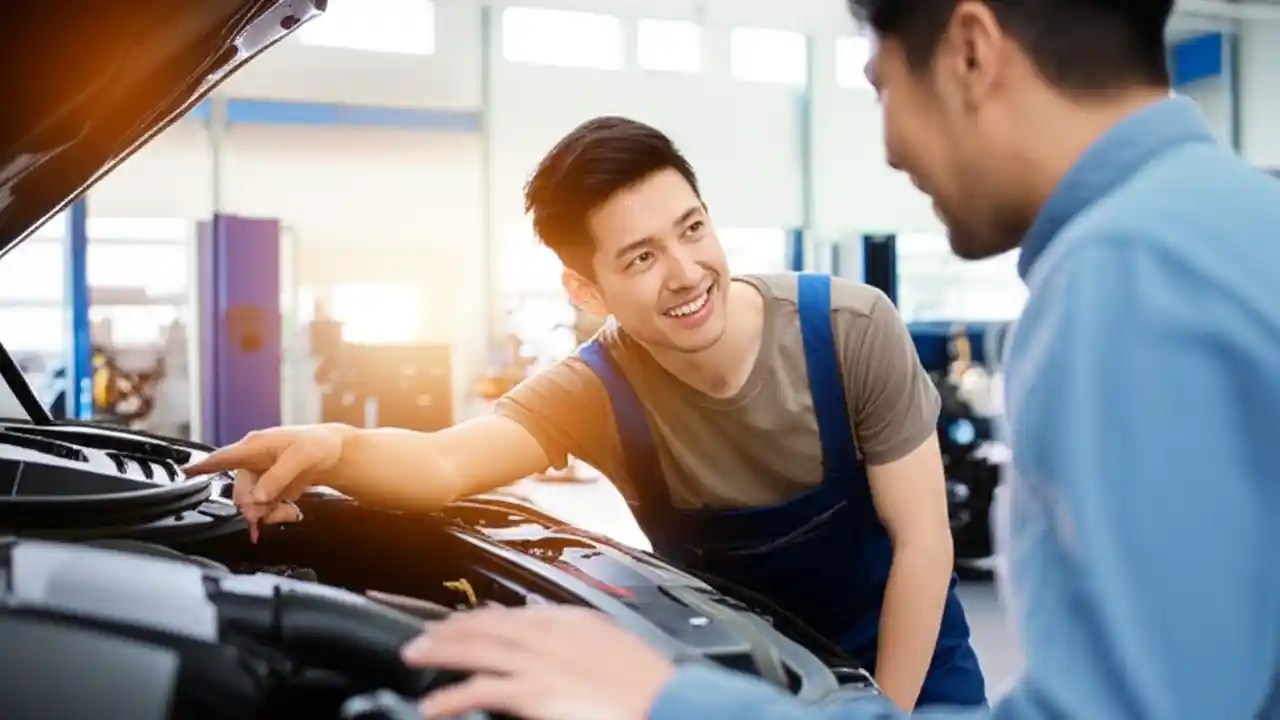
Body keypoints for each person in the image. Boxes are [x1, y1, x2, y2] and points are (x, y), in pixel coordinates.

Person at [396, 0, 1280, 718]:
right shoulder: (1235, 228)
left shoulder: (1125, 280)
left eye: (882, 87)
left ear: (971, 49)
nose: (890, 148)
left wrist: (666, 699)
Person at [183, 124, 986, 707]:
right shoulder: (599, 387)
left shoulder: (849, 330)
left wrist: (888, 713)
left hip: (915, 675)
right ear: (587, 291)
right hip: (754, 686)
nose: (685, 273)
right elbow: (442, 465)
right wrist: (332, 445)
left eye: (692, 230)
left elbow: (923, 542)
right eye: (640, 258)